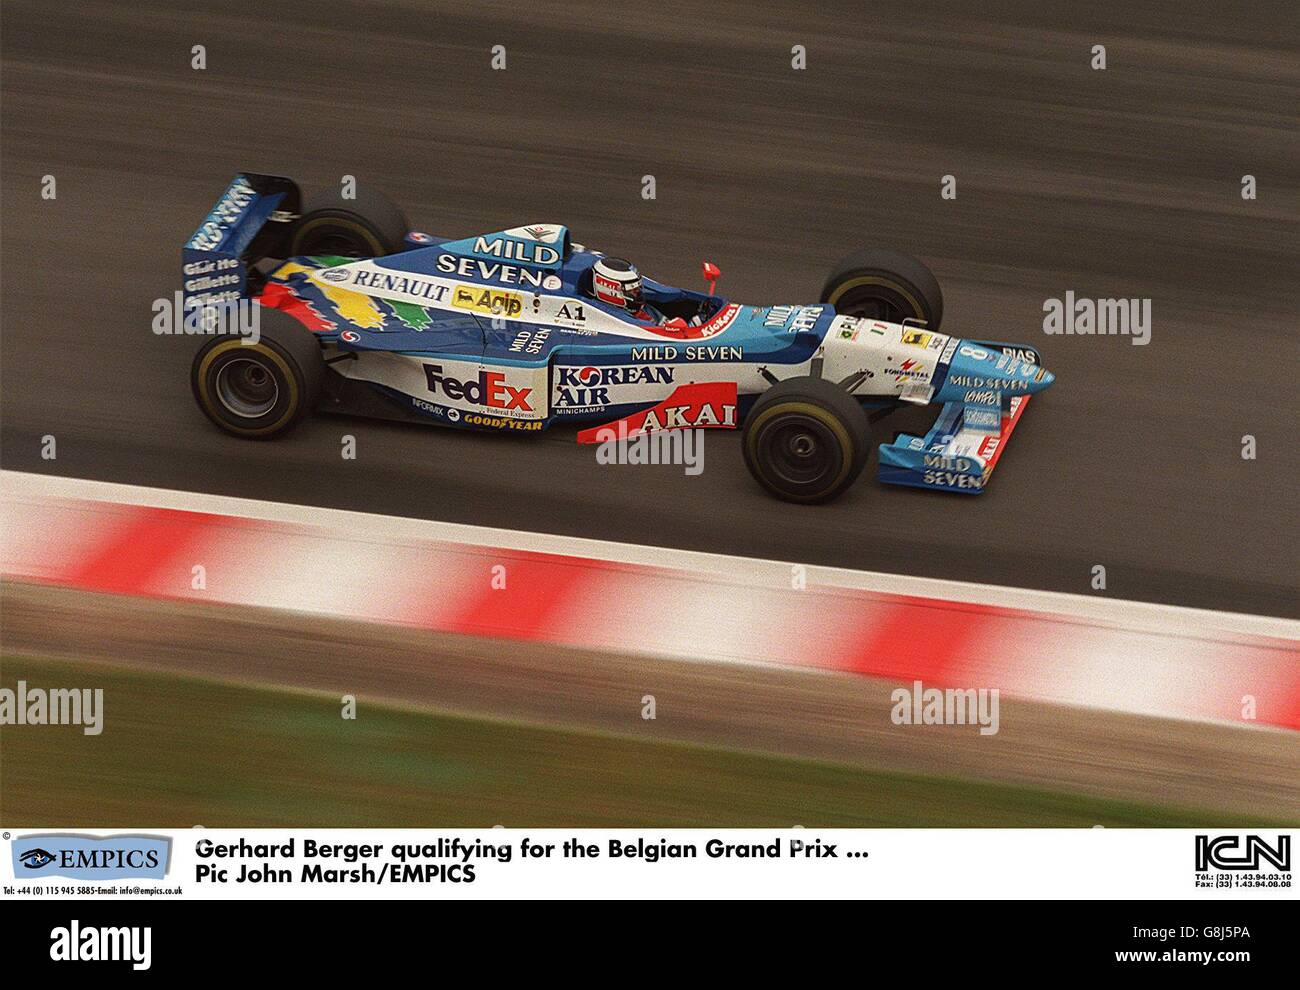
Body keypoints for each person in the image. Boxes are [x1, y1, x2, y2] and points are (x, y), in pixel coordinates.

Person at [590, 257, 669, 324]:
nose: (638, 292)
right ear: (611, 290)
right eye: (632, 289)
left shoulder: (644, 310)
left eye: (638, 287)